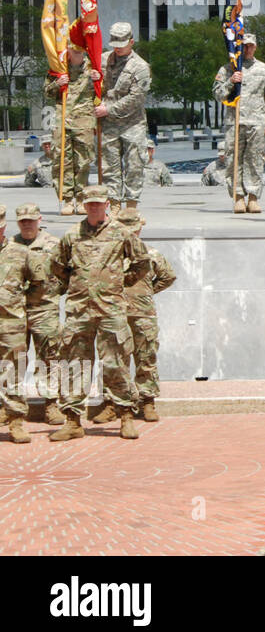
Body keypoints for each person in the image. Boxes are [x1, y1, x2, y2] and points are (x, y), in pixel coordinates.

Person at [49, 185, 150, 442]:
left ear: (107, 204)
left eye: (98, 203)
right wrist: (75, 284)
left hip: (111, 310)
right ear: (84, 205)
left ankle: (125, 415)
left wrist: (119, 282)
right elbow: (57, 265)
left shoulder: (121, 233)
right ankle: (72, 420)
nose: (94, 207)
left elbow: (141, 262)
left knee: (116, 364)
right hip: (79, 311)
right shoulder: (72, 235)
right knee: (75, 365)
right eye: (89, 203)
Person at [113, 209, 176, 424]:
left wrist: (148, 291)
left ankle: (147, 401)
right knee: (115, 360)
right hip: (116, 314)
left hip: (143, 314)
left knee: (146, 358)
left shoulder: (150, 254)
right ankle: (113, 404)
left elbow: (168, 276)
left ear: (139, 229)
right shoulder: (111, 256)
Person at [213, 32, 265, 213]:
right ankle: (238, 197)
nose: (247, 49)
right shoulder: (227, 69)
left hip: (256, 122)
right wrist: (230, 82)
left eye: (250, 46)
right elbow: (217, 94)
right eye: (243, 46)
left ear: (255, 47)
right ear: (238, 47)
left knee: (255, 160)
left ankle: (253, 197)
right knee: (233, 160)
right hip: (235, 121)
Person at [12, 203, 64, 425]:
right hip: (14, 313)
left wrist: (54, 293)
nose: (27, 225)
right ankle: (11, 406)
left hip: (44, 310)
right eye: (23, 221)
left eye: (31, 220)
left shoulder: (54, 245)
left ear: (39, 220)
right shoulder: (9, 245)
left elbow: (67, 272)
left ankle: (51, 404)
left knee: (50, 358)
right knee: (12, 360)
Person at [97, 22, 152, 214]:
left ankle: (131, 208)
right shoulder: (102, 61)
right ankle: (113, 206)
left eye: (122, 44)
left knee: (134, 165)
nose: (117, 48)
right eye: (115, 44)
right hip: (109, 125)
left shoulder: (140, 66)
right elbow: (93, 87)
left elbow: (136, 98)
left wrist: (108, 109)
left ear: (131, 42)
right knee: (109, 167)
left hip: (132, 124)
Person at [0, 206, 43, 444]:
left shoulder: (20, 252)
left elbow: (38, 282)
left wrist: (19, 305)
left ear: (4, 226)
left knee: (12, 371)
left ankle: (16, 421)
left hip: (11, 324)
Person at [45, 43, 100, 214]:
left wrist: (99, 80)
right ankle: (67, 200)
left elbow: (103, 92)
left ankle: (82, 197)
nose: (76, 52)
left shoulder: (93, 67)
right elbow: (47, 92)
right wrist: (57, 83)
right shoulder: (58, 67)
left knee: (83, 161)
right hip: (63, 119)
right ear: (67, 50)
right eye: (72, 49)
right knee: (62, 160)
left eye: (79, 49)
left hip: (83, 120)